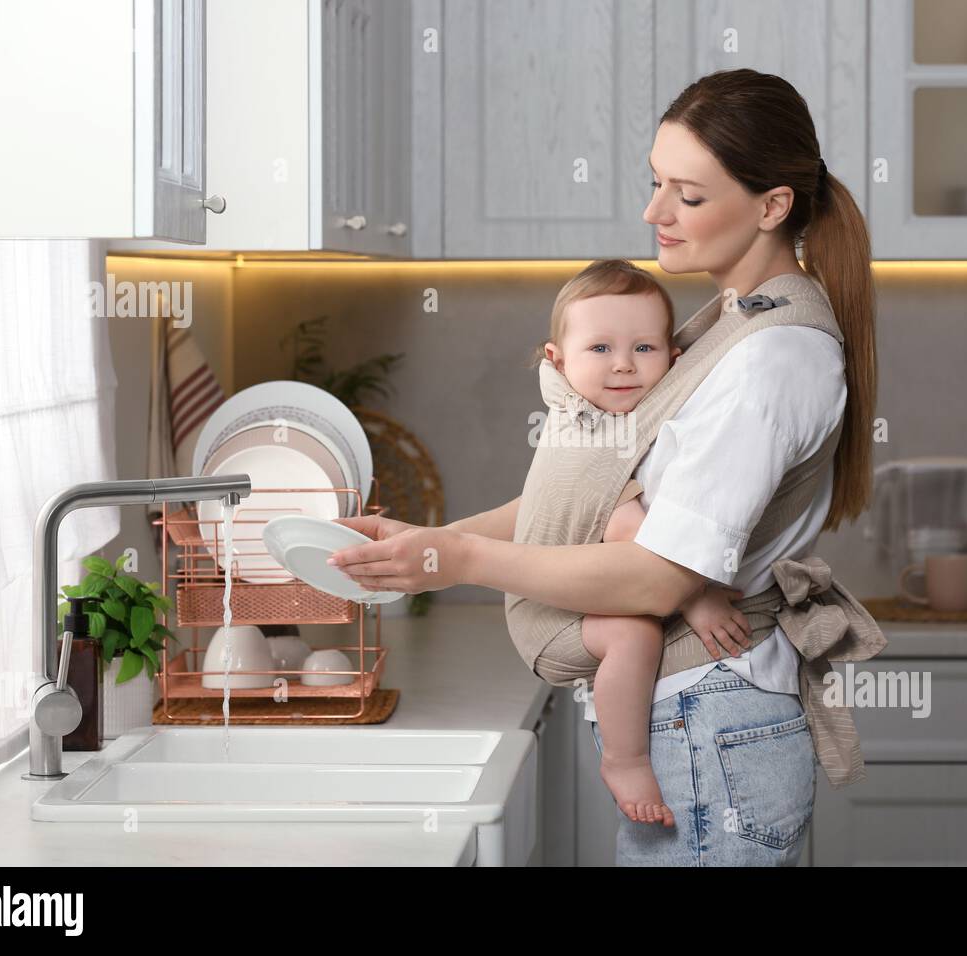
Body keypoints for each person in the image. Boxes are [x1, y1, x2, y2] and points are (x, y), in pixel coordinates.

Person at [327, 68, 877, 866]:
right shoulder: (726, 321)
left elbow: (657, 578)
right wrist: (429, 540)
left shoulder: (773, 357)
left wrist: (460, 561)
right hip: (699, 724)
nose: (655, 213)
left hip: (715, 725)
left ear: (772, 206)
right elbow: (592, 498)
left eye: (687, 195)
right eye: (655, 183)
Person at [516, 257, 754, 828]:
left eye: (643, 349)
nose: (623, 365)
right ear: (558, 359)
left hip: (570, 594)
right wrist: (697, 597)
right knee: (635, 631)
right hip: (547, 617)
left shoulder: (593, 408)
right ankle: (625, 760)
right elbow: (630, 531)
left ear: (673, 360)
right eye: (600, 349)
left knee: (631, 624)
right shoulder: (592, 431)